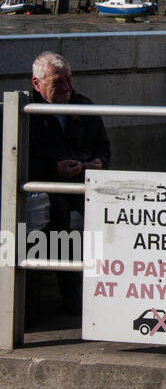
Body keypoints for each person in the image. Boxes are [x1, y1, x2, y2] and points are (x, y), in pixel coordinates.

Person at [27, 52, 111, 314]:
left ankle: (111, 290)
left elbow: (103, 146)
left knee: (113, 212)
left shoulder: (83, 106)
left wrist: (100, 162)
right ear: (37, 84)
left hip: (83, 182)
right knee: (58, 213)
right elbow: (16, 159)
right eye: (57, 83)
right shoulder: (26, 112)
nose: (65, 88)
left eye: (68, 80)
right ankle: (70, 298)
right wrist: (54, 168)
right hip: (43, 187)